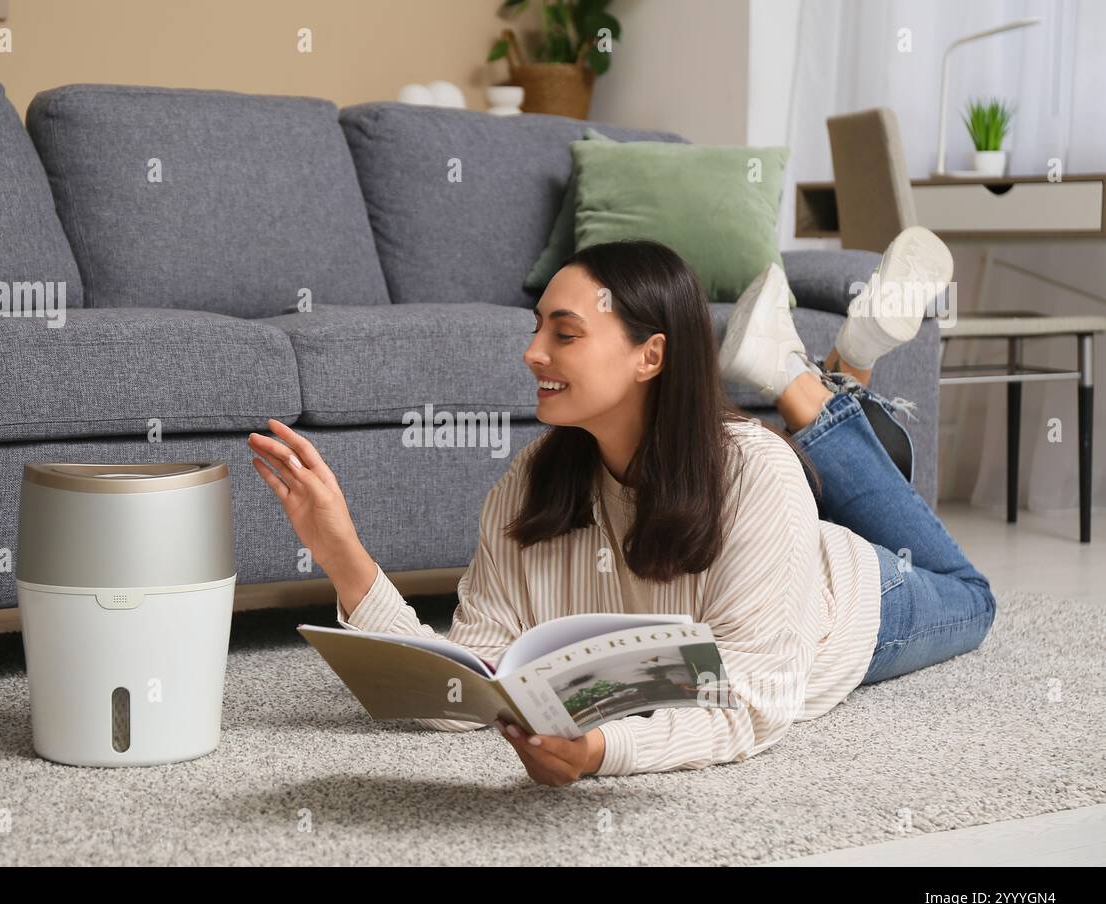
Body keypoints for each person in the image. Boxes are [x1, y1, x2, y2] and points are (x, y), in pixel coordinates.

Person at [248, 225, 996, 788]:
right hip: (774, 534)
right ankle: (832, 375)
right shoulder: (533, 481)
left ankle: (810, 388)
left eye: (564, 333)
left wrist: (604, 751)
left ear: (651, 355)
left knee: (972, 597)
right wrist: (342, 552)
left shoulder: (757, 476)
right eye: (537, 327)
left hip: (845, 595)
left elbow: (753, 702)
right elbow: (469, 678)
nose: (533, 353)